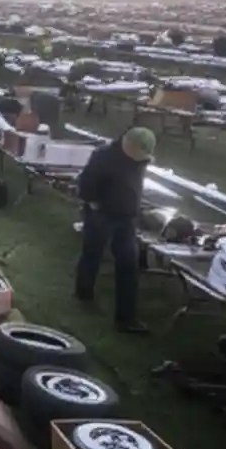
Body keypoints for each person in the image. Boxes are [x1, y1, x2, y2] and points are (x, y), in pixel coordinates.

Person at [75, 127, 156, 333]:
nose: (141, 158)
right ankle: (84, 291)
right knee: (92, 254)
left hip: (127, 217)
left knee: (129, 265)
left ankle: (126, 318)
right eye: (138, 153)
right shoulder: (103, 156)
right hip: (102, 214)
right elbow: (85, 183)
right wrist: (92, 203)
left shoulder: (140, 160)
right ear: (127, 144)